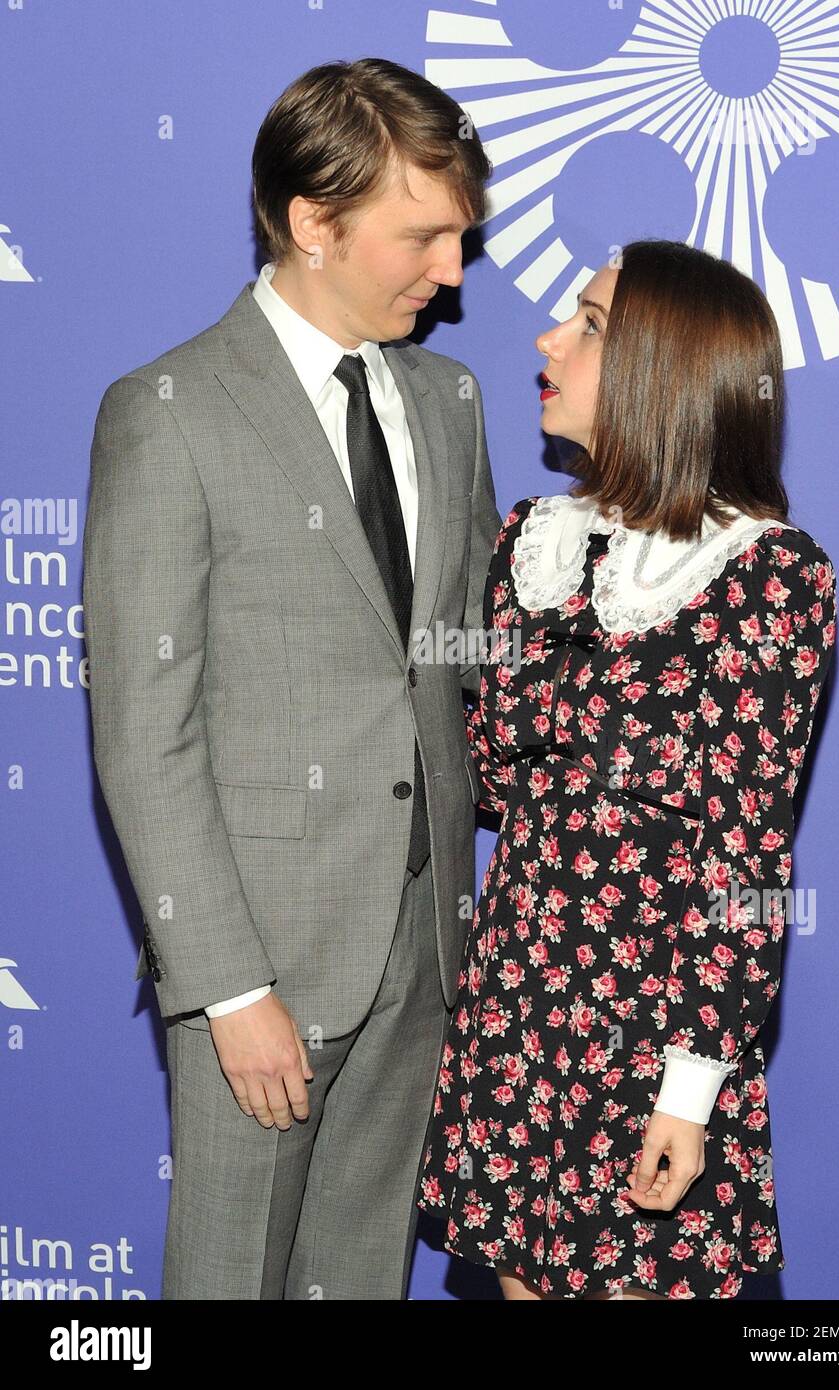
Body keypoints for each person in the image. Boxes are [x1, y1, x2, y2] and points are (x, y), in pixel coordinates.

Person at [82, 57, 501, 1300]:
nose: (451, 273)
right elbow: (142, 737)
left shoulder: (451, 399)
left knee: (360, 1276)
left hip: (427, 949)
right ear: (311, 222)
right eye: (421, 236)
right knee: (229, 1278)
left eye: (460, 237)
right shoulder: (170, 410)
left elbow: (463, 653)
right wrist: (227, 985)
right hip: (261, 965)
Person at [417, 239, 838, 1301]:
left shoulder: (767, 576)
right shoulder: (532, 544)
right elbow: (503, 785)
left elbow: (746, 860)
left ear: (665, 363)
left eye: (591, 322)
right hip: (517, 1001)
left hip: (653, 1028)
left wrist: (688, 1092)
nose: (546, 339)